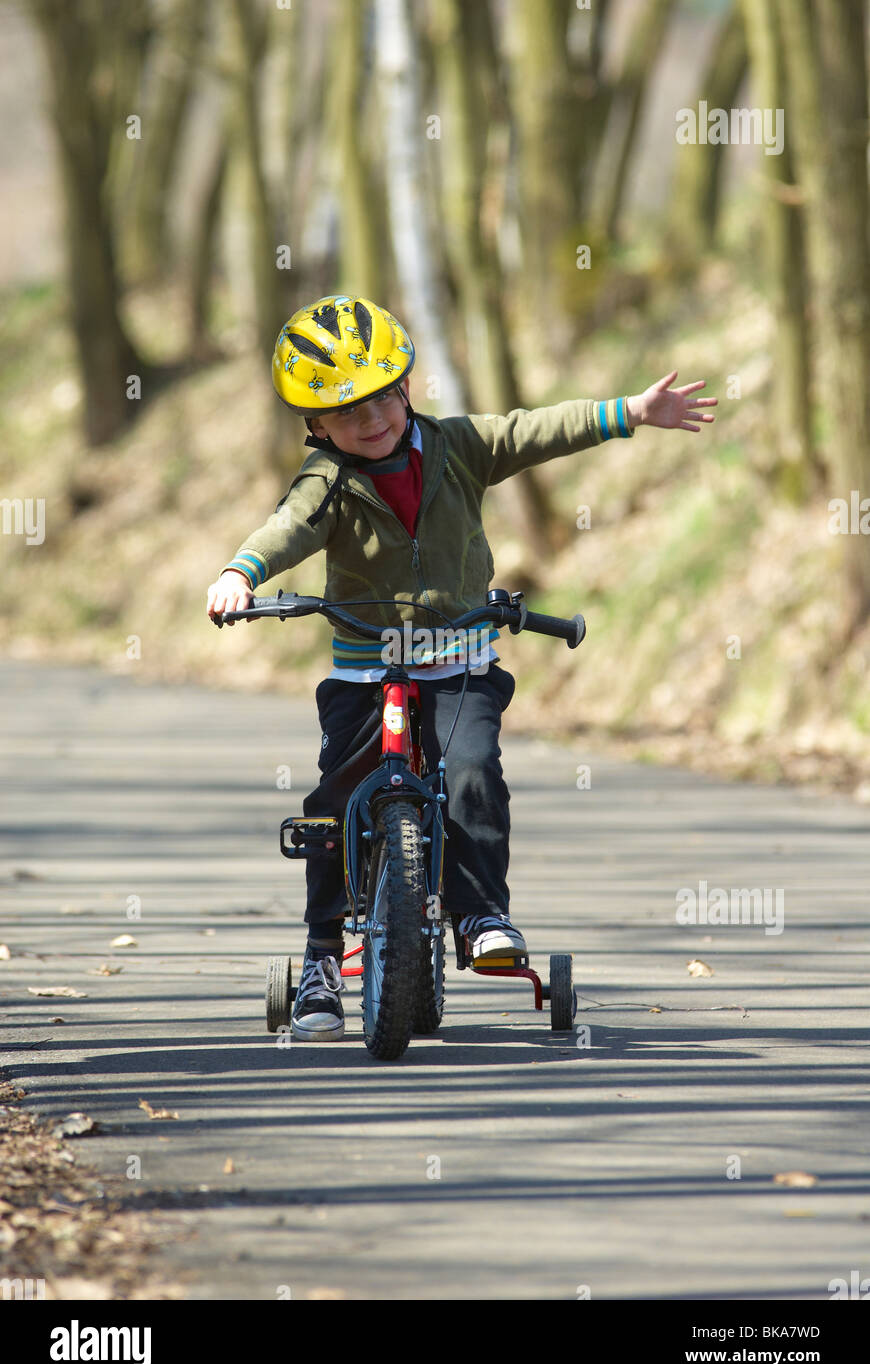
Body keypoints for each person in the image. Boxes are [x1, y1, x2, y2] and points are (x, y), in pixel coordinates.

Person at [207, 294, 716, 1039]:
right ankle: (322, 958)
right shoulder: (328, 483)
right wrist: (240, 572)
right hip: (363, 670)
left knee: (472, 770)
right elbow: (285, 530)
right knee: (332, 801)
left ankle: (481, 911)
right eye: (348, 414)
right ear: (317, 427)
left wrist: (631, 411)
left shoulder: (459, 447)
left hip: (460, 662)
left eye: (382, 398)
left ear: (406, 387)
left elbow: (536, 431)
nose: (372, 420)